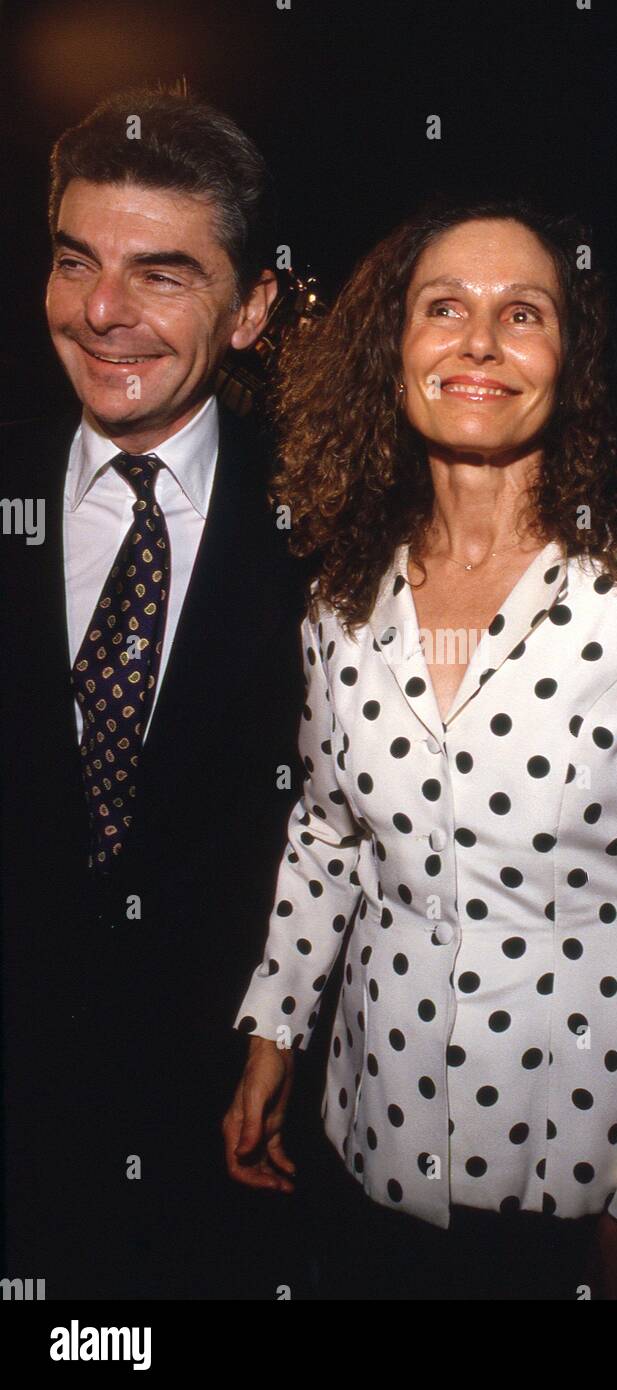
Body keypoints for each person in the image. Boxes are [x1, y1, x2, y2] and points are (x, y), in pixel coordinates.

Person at [223, 198, 617, 1300]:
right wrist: (273, 1034)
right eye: (443, 309)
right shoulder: (340, 588)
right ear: (394, 351)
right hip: (365, 1143)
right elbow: (326, 833)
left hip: (568, 1181)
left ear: (572, 363)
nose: (478, 341)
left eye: (522, 313)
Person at [0, 87, 309, 1299]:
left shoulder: (326, 533)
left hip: (230, 1128)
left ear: (252, 310)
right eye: (77, 261)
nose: (102, 313)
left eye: (163, 275)